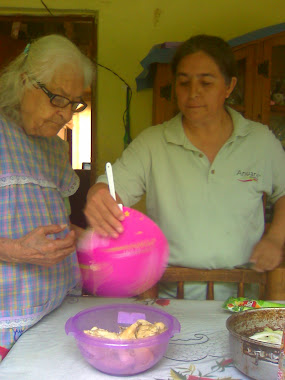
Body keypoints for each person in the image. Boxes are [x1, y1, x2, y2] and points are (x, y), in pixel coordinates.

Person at [84, 34, 285, 300]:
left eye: (206, 82)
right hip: (170, 295)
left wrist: (275, 239)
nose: (193, 93)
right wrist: (98, 195)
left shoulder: (260, 141)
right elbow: (112, 188)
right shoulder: (153, 143)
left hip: (245, 294)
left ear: (229, 86)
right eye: (183, 82)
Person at [0, 34, 94, 360]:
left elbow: (59, 224)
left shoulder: (55, 147)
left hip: (58, 312)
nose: (66, 114)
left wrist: (92, 241)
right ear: (24, 81)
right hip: (7, 323)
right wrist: (14, 250)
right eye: (57, 98)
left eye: (74, 102)